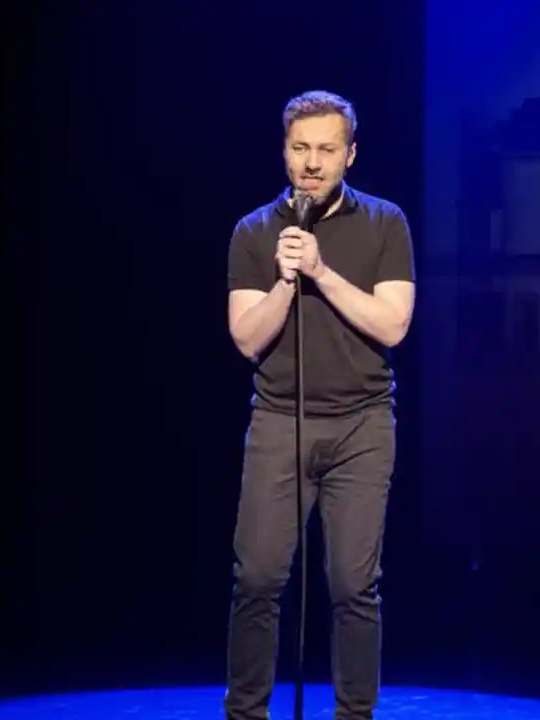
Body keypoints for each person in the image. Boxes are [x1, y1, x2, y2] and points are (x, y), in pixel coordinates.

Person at [222, 90, 415, 720]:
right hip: (280, 420)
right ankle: (246, 713)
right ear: (284, 152)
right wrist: (284, 281)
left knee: (354, 586)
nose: (312, 162)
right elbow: (247, 338)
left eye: (326, 149)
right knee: (256, 579)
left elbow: (392, 327)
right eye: (300, 148)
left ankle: (353, 715)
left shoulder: (386, 222)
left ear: (349, 155)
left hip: (363, 424)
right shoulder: (254, 232)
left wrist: (323, 273)